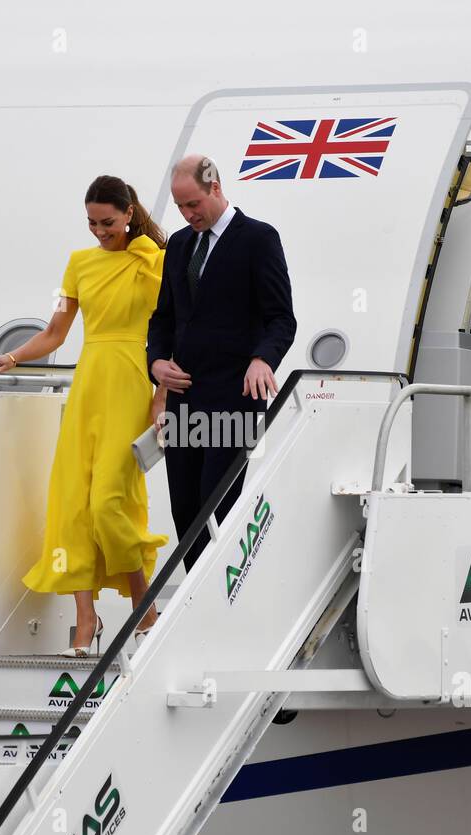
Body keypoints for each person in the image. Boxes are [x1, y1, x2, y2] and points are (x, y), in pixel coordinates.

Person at [0, 175, 167, 656]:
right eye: (91, 222)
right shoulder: (79, 264)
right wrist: (12, 357)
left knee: (108, 502)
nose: (99, 231)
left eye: (107, 222)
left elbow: (174, 334)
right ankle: (86, 621)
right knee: (73, 503)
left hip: (131, 381)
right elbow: (56, 332)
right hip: (89, 384)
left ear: (128, 214)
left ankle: (144, 605)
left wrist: (163, 394)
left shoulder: (156, 261)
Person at [147, 154, 296, 572]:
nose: (188, 214)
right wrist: (156, 362)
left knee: (218, 509)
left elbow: (281, 317)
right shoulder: (178, 244)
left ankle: (218, 605)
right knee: (186, 515)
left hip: (234, 398)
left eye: (193, 204)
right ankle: (197, 613)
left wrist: (263, 359)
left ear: (215, 187)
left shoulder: (258, 239)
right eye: (180, 207)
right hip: (184, 402)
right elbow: (163, 319)